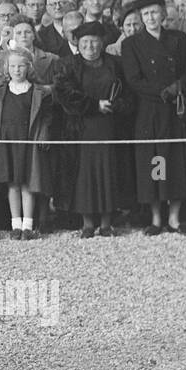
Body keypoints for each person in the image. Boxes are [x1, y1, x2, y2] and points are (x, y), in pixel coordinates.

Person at [120, 0, 186, 234]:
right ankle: (156, 218)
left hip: (175, 110)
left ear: (163, 13)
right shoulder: (131, 44)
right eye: (146, 14)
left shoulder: (178, 39)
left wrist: (177, 87)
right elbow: (133, 79)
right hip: (149, 111)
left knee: (175, 161)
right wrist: (161, 91)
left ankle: (174, 217)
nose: (151, 17)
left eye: (154, 12)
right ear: (141, 17)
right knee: (155, 161)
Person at [54, 21, 133, 238]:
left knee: (108, 172)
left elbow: (128, 94)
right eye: (86, 42)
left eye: (95, 41)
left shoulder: (115, 64)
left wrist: (115, 105)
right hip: (79, 128)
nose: (91, 46)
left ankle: (106, 223)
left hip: (110, 127)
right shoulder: (67, 65)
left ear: (102, 43)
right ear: (78, 43)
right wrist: (94, 105)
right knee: (84, 176)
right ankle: (88, 223)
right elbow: (64, 94)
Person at [0, 48, 53, 239]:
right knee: (12, 184)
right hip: (8, 140)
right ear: (6, 68)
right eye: (13, 66)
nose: (17, 70)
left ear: (29, 67)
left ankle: (28, 225)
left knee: (27, 183)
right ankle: (15, 225)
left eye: (21, 66)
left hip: (29, 140)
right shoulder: (0, 90)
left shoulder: (38, 92)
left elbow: (45, 118)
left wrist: (42, 134)